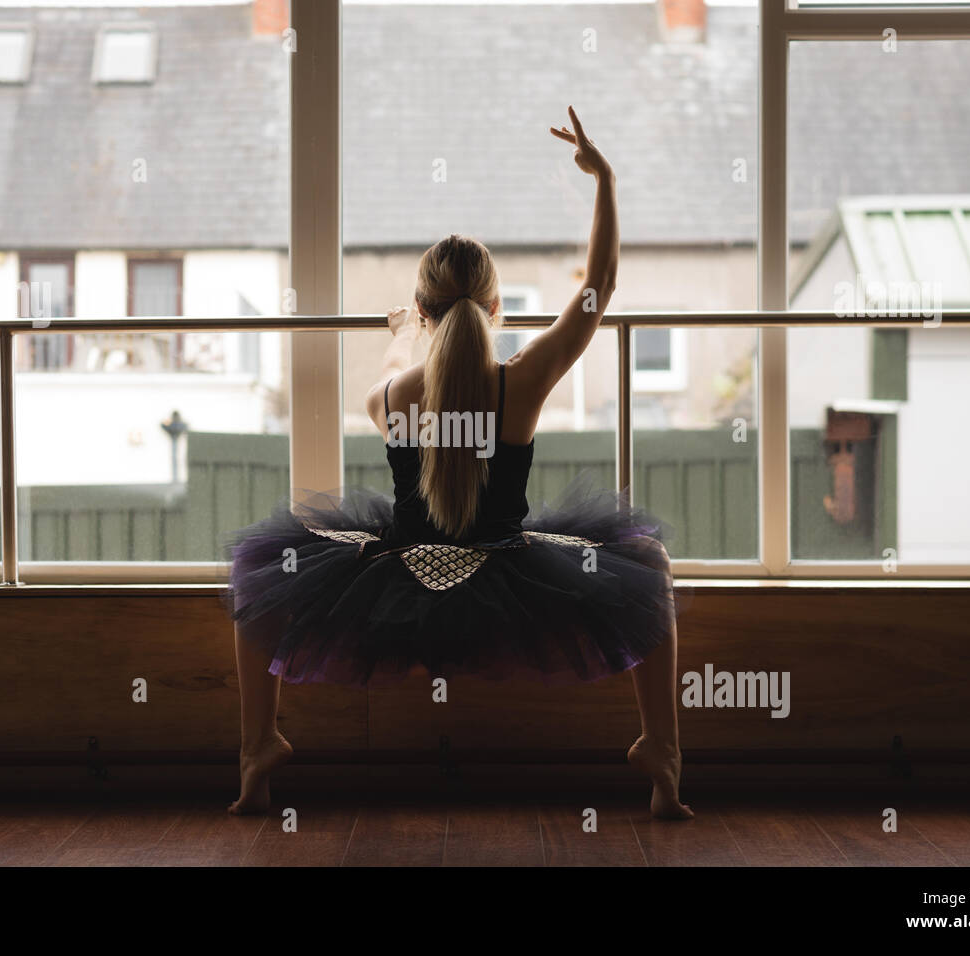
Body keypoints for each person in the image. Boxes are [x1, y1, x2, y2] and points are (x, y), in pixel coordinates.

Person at [226, 106, 692, 820]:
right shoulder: (524, 379)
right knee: (652, 563)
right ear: (497, 308)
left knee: (260, 566)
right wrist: (604, 180)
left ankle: (259, 744)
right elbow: (599, 288)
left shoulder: (391, 394)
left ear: (420, 307)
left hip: (400, 572)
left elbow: (385, 376)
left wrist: (402, 337)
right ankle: (661, 746)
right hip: (510, 569)